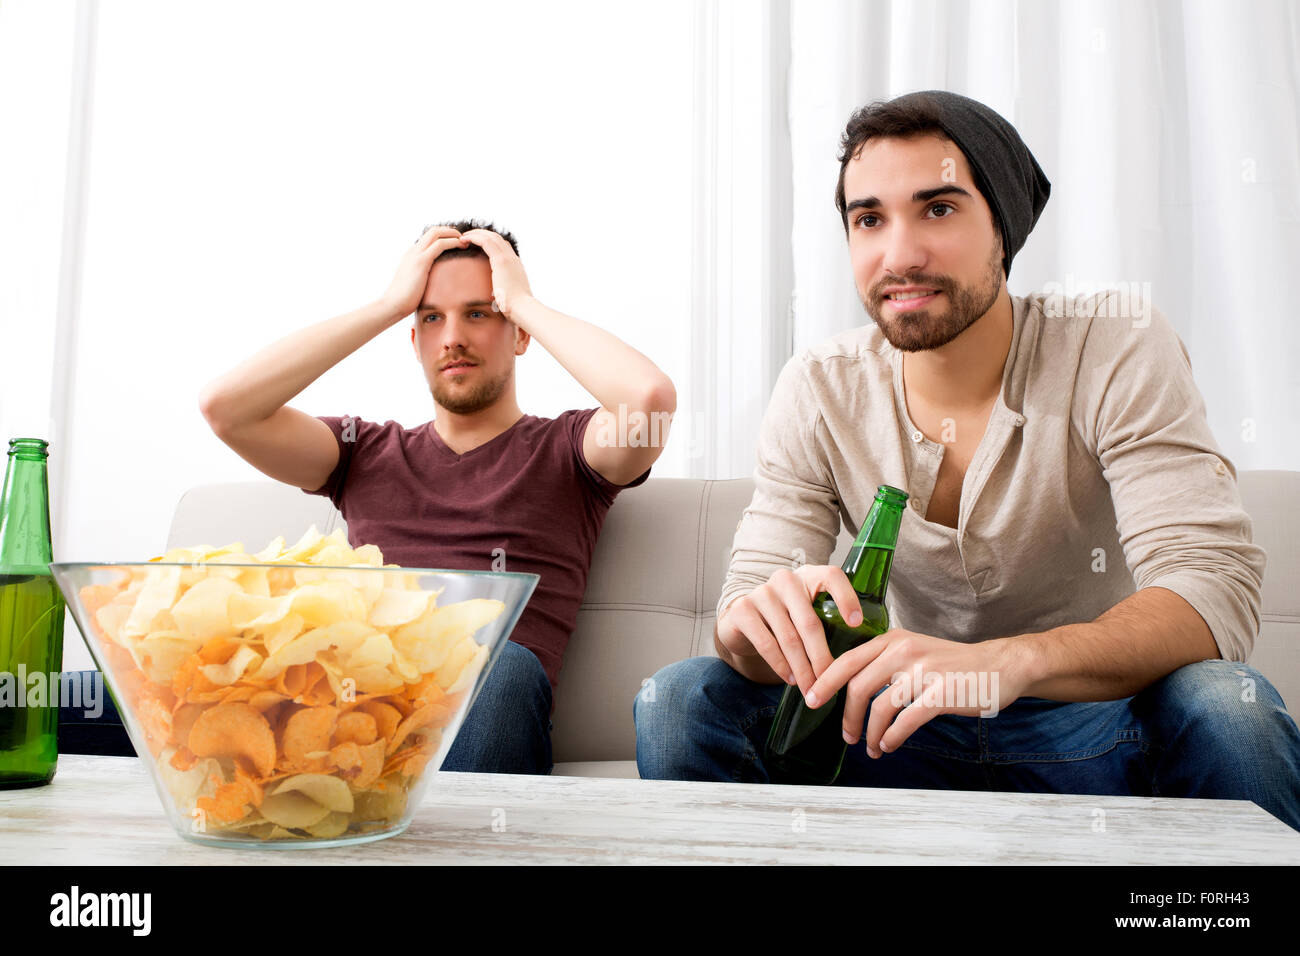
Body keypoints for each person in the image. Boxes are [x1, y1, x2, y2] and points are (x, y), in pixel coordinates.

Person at [634, 90, 1300, 831]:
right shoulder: (819, 386)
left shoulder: (1114, 345)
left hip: (1092, 730)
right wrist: (758, 623)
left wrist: (1009, 663)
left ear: (1003, 227)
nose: (899, 254)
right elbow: (746, 613)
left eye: (939, 209)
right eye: (869, 219)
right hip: (886, 733)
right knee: (683, 698)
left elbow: (1211, 589)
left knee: (1226, 706)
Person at [200, 219, 675, 774]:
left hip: (484, 710)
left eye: (479, 312)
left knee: (494, 662)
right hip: (345, 715)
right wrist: (386, 305)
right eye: (432, 318)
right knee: (104, 694)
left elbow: (648, 400)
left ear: (520, 334)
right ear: (415, 339)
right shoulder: (363, 452)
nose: (453, 337)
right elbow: (226, 409)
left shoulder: (567, 451)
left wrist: (522, 301)